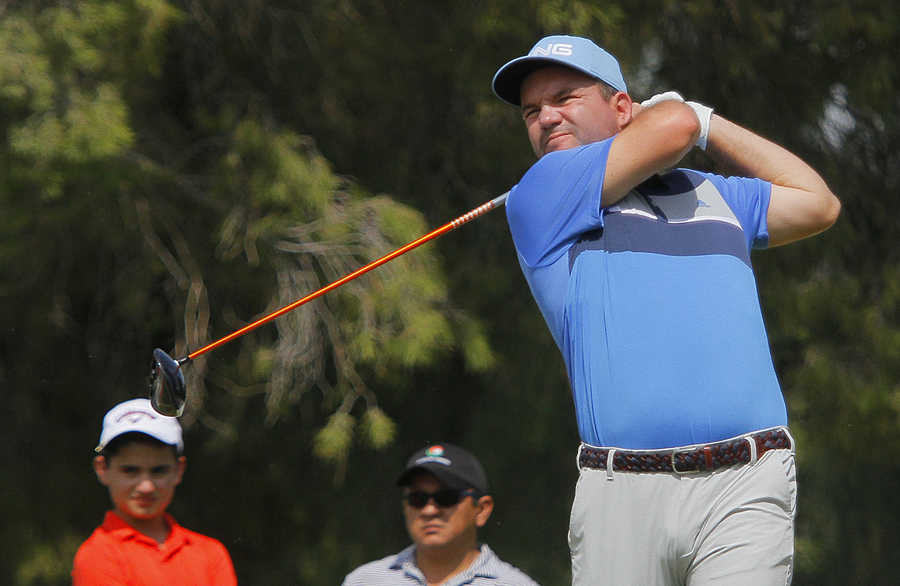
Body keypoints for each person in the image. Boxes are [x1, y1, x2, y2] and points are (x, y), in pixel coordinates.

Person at [491, 35, 840, 586]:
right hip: (621, 493)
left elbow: (818, 203)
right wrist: (685, 117)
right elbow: (675, 126)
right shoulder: (543, 192)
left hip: (745, 481)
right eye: (532, 111)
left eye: (564, 98)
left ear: (621, 108)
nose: (547, 118)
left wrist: (709, 122)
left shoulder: (712, 194)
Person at [72, 398, 238, 586]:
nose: (146, 487)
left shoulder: (210, 554)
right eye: (130, 471)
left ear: (179, 470)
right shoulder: (98, 556)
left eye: (159, 471)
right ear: (102, 469)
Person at [341, 443, 541, 586]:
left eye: (446, 498)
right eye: (417, 499)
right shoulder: (364, 581)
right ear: (405, 507)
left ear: (481, 510)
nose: (429, 510)